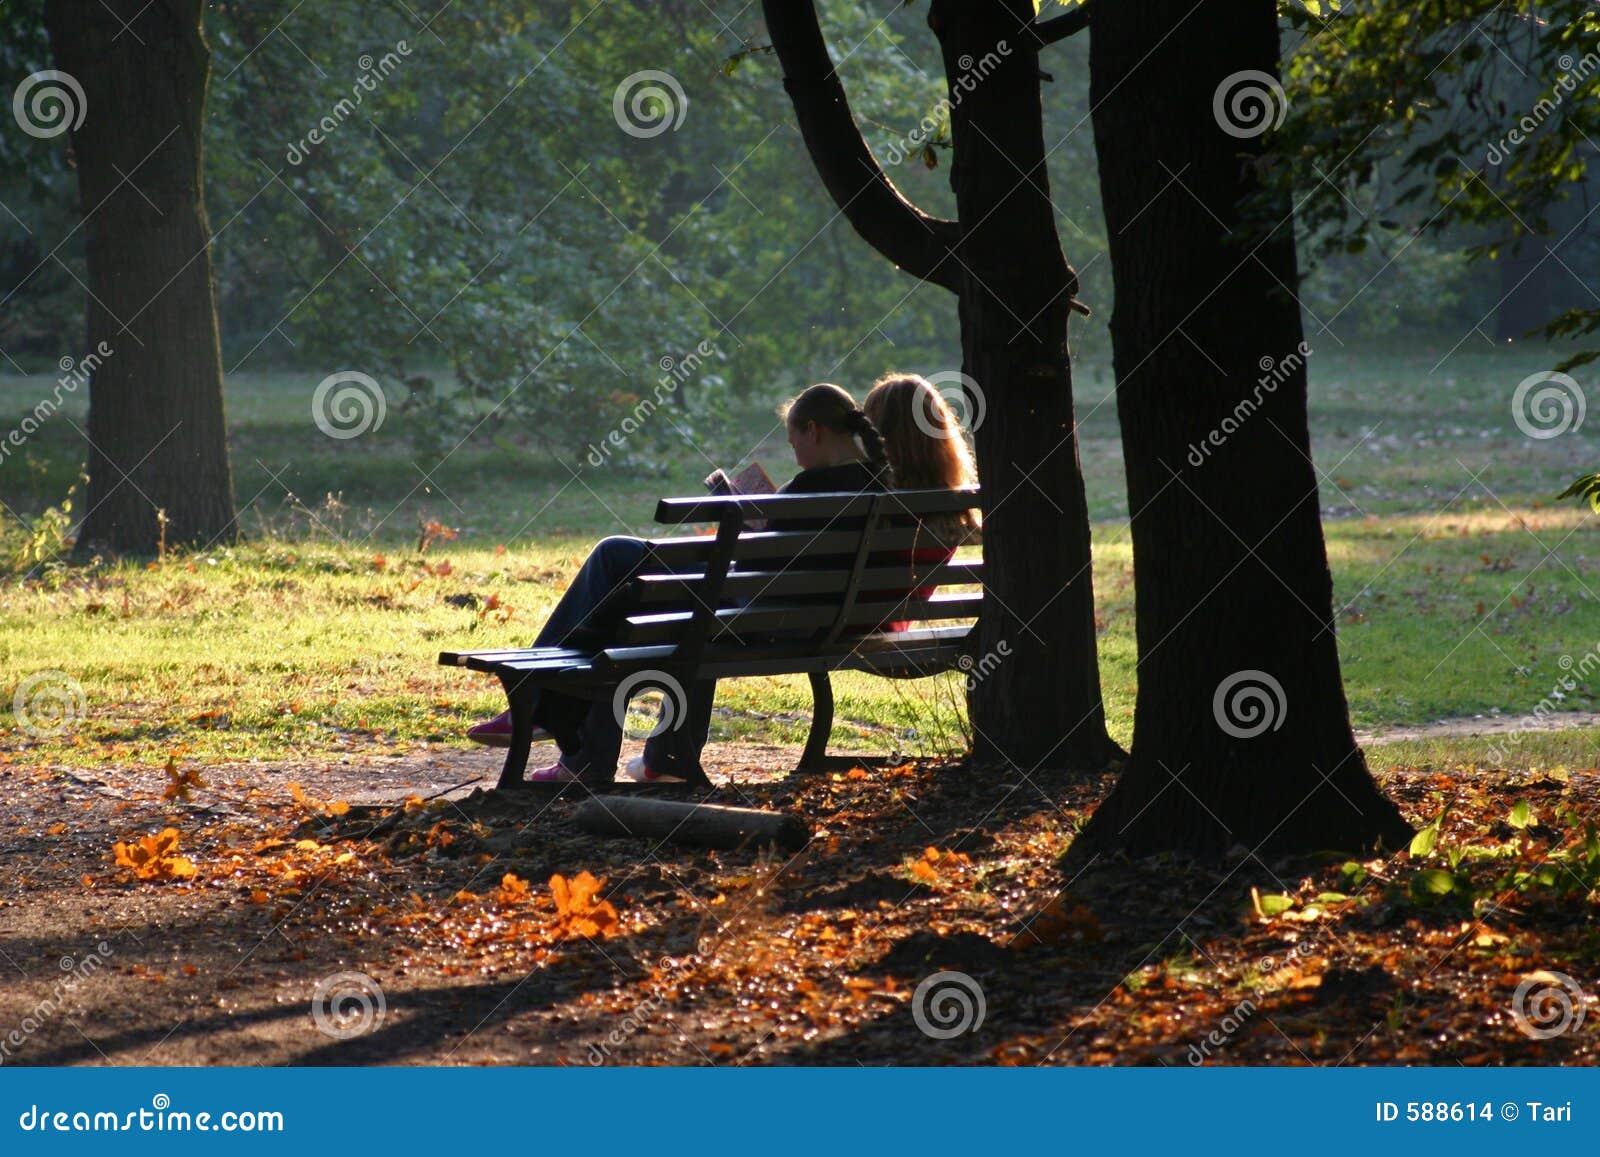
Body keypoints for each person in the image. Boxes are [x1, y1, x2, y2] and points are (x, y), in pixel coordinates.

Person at [466, 382, 891, 785]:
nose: (794, 451)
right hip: (812, 624)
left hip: (759, 621)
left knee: (615, 557)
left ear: (813, 431)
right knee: (633, 601)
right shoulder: (879, 486)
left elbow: (755, 562)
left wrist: (740, 516)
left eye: (793, 440)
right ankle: (660, 758)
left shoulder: (810, 490)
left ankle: (553, 719)